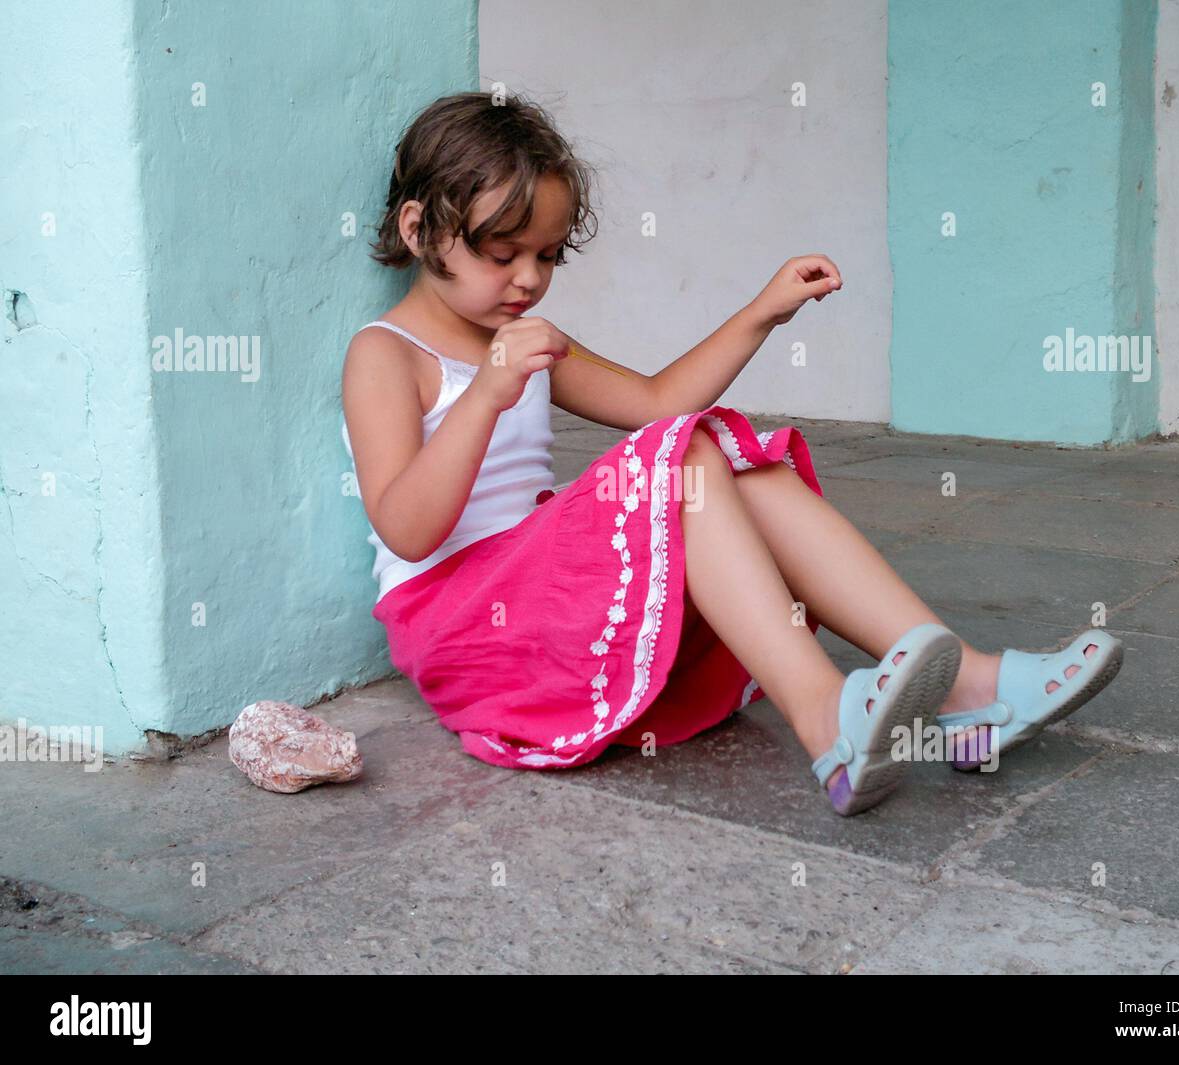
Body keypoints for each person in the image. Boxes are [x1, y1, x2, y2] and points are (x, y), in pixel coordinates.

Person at [340, 91, 1124, 817]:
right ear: (418, 230)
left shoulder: (521, 340)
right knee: (683, 461)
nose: (529, 279)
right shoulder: (387, 354)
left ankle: (971, 690)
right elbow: (408, 528)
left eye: (546, 256)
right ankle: (824, 716)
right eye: (503, 253)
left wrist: (763, 312)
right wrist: (485, 393)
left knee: (728, 455)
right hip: (465, 625)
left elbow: (654, 403)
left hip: (540, 591)